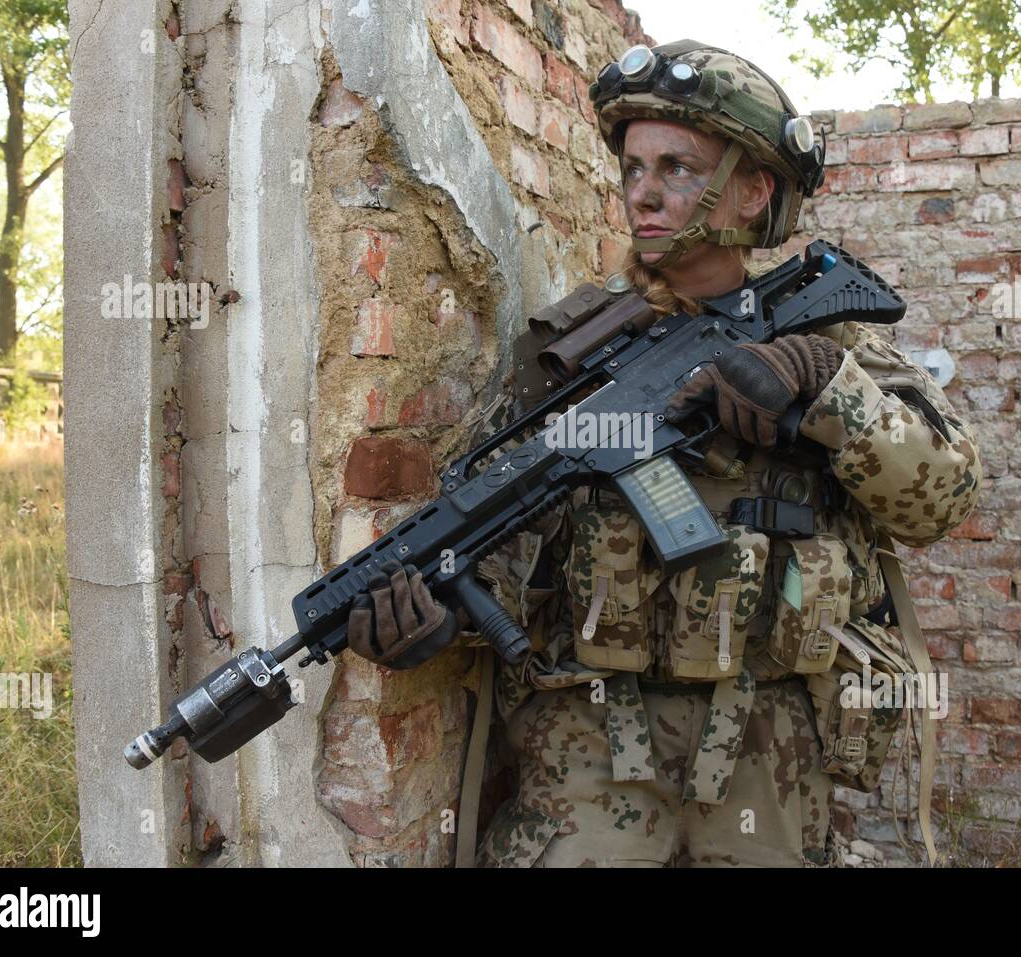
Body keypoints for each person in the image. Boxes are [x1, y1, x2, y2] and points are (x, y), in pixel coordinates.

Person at [345, 40, 984, 867]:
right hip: (589, 740)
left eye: (678, 168)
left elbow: (947, 497)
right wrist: (438, 612)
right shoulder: (571, 352)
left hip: (774, 738)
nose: (643, 192)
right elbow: (499, 521)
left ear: (753, 192)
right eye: (635, 166)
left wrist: (825, 385)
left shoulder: (824, 336)